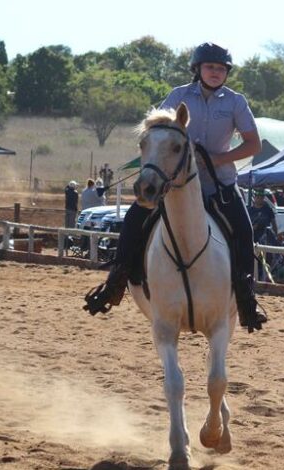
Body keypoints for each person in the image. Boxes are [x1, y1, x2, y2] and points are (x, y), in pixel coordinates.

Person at [84, 42, 267, 332]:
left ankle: (246, 300)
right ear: (198, 69)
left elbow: (253, 144)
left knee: (244, 232)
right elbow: (155, 132)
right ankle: (114, 284)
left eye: (221, 69)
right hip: (173, 186)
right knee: (133, 220)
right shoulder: (178, 96)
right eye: (210, 67)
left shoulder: (236, 102)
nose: (216, 72)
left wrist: (218, 159)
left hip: (220, 185)